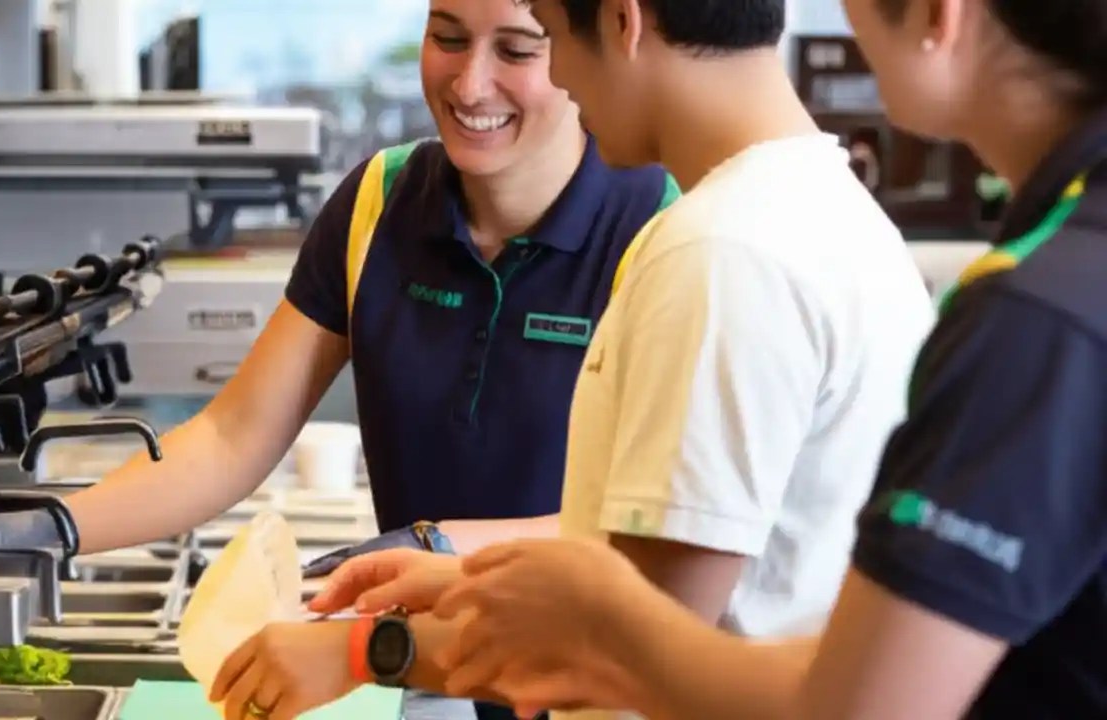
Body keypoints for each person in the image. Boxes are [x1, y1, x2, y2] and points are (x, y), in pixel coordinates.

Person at [302, 0, 1107, 718]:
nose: (557, 80)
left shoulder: (727, 249)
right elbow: (857, 645)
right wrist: (507, 590)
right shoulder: (839, 219)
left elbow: (838, 693)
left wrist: (374, 651)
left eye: (544, 38)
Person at [0, 0, 675, 563]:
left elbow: (665, 522)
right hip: (418, 664)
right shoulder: (379, 202)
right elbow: (232, 436)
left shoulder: (660, 227)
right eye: (447, 37)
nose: (470, 82)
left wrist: (441, 550)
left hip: (590, 681)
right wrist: (58, 526)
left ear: (587, 50)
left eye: (517, 50)